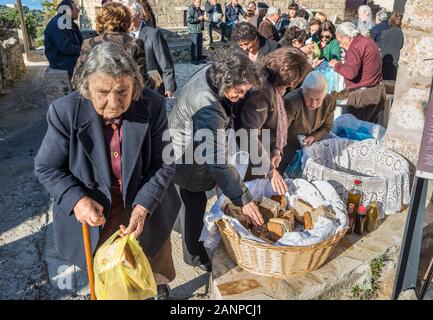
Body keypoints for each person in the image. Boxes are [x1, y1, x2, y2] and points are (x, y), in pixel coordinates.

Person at [34, 43, 181, 299]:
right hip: (97, 214)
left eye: (122, 91)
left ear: (134, 85)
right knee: (110, 282)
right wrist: (77, 200)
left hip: (146, 204)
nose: (114, 102)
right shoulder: (65, 112)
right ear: (86, 87)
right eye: (103, 92)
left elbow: (164, 162)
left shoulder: (152, 104)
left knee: (152, 270)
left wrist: (143, 206)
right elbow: (47, 167)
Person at [168, 49, 264, 271]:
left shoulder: (213, 73)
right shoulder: (209, 106)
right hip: (187, 154)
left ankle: (185, 234)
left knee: (189, 198)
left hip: (183, 141)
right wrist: (244, 198)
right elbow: (217, 161)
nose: (241, 97)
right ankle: (195, 256)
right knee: (194, 201)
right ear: (225, 81)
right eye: (239, 92)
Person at [239, 47, 310, 180]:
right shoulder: (263, 92)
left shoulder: (276, 87)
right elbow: (248, 134)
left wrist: (276, 150)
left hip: (263, 151)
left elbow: (275, 123)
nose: (294, 85)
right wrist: (269, 168)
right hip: (251, 158)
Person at [71, 2, 149, 90]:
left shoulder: (89, 43)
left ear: (100, 21)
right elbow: (142, 81)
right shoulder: (134, 43)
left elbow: (76, 80)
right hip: (125, 98)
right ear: (126, 21)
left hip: (96, 98)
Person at [329, 22, 385, 123]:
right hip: (376, 91)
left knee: (355, 133)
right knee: (367, 132)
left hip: (364, 96)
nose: (340, 45)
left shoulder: (355, 47)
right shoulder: (367, 41)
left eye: (340, 41)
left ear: (347, 38)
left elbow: (351, 73)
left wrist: (336, 65)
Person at [282, 71, 336, 170]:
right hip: (289, 147)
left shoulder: (330, 102)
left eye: (318, 99)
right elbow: (280, 131)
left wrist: (313, 137)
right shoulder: (291, 101)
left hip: (313, 147)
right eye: (310, 98)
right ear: (303, 92)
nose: (314, 104)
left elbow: (327, 127)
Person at [129, 1, 177, 97]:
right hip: (131, 85)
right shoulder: (123, 35)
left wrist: (169, 86)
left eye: (130, 17)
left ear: (139, 15)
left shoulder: (153, 34)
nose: (126, 21)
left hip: (152, 83)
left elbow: (165, 61)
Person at [44, 0, 83, 77]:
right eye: (76, 9)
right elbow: (67, 48)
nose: (78, 11)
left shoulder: (71, 23)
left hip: (68, 59)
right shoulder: (58, 24)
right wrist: (84, 48)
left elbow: (80, 41)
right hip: (62, 62)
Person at [379, 12, 404, 81]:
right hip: (395, 62)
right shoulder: (402, 34)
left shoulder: (384, 33)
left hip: (384, 60)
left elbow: (379, 46)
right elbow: (401, 46)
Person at [187, 0, 206, 65]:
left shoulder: (199, 9)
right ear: (194, 2)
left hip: (199, 29)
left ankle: (199, 58)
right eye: (198, 2)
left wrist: (203, 18)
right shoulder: (191, 9)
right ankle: (193, 59)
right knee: (194, 45)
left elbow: (200, 18)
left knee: (200, 45)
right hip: (193, 30)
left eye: (200, 2)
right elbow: (189, 20)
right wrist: (198, 19)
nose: (199, 3)